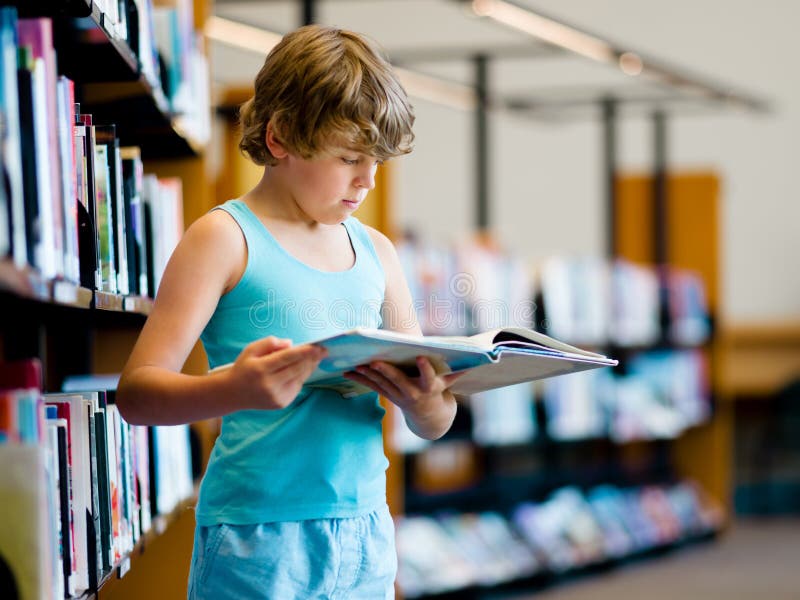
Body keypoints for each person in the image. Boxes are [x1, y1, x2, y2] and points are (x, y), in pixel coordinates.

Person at [116, 24, 464, 599]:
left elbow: (435, 417)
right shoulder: (223, 239)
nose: (367, 179)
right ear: (279, 139)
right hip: (258, 535)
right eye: (350, 157)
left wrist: (427, 404)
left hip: (365, 531)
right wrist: (237, 387)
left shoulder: (378, 251)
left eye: (374, 160)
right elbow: (136, 394)